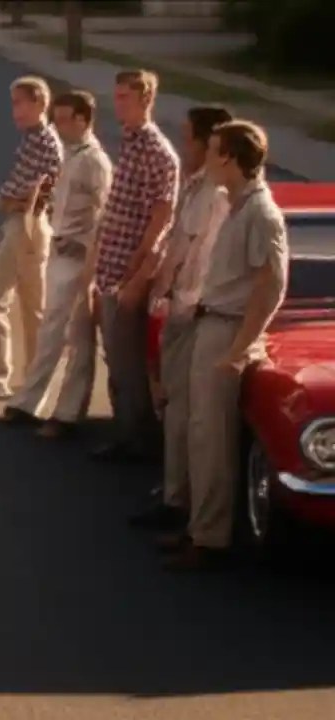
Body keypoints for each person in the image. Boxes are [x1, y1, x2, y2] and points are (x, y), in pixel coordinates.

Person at [161, 120, 288, 571]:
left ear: (230, 158)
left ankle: (211, 539)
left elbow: (270, 286)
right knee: (199, 434)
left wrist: (239, 349)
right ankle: (197, 527)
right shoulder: (233, 205)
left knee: (213, 440)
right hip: (209, 321)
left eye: (213, 151)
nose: (206, 159)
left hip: (228, 330)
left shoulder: (261, 213)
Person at [130, 105, 233, 532]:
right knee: (174, 410)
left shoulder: (217, 196)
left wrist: (173, 293)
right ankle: (174, 494)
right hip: (177, 309)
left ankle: (187, 508)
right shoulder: (195, 185)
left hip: (195, 313)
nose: (183, 143)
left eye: (189, 136)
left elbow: (202, 256)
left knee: (192, 419)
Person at [2, 90, 112, 434]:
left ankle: (66, 412)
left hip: (80, 255)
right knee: (54, 330)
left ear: (83, 120)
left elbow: (104, 215)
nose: (57, 125)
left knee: (74, 335)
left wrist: (92, 260)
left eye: (64, 119)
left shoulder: (95, 161)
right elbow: (50, 195)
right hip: (57, 249)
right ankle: (31, 401)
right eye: (56, 119)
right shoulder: (64, 154)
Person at [90, 69, 180, 463]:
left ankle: (140, 440)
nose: (118, 104)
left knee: (128, 363)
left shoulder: (157, 152)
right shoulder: (129, 142)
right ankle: (125, 432)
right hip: (108, 267)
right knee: (115, 358)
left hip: (129, 271)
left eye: (125, 97)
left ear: (146, 99)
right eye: (116, 96)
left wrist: (135, 272)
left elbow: (161, 218)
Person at [0, 75, 63, 399]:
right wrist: (9, 200)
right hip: (24, 226)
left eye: (20, 103)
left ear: (40, 103)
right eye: (13, 103)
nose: (15, 111)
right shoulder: (32, 139)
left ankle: (6, 377)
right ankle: (27, 378)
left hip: (28, 228)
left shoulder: (45, 143)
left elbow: (41, 193)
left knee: (4, 301)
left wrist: (9, 201)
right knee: (24, 304)